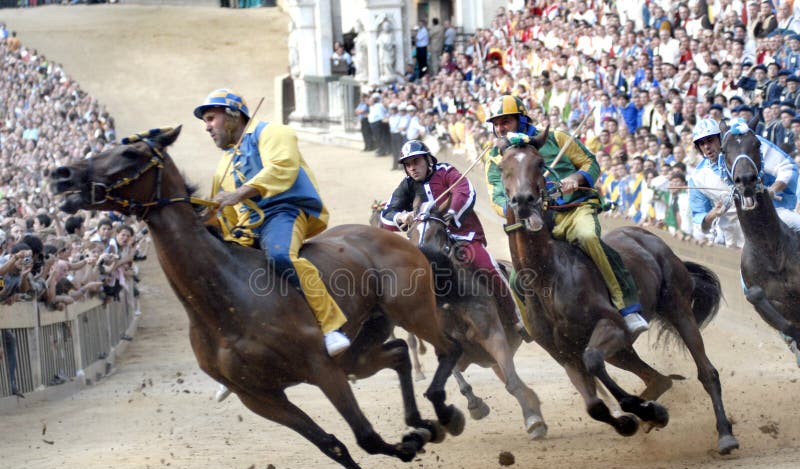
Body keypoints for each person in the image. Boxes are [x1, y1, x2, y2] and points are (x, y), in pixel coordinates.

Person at [194, 89, 350, 399]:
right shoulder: (223, 166)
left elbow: (283, 168)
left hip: (287, 211)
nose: (207, 126)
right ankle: (231, 357)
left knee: (280, 256)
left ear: (234, 114)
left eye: (211, 118)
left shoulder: (272, 132)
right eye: (205, 122)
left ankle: (331, 327)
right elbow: (217, 211)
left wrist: (240, 193)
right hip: (249, 228)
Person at [484, 95, 649, 336]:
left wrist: (575, 178)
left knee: (588, 237)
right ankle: (533, 326)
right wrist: (516, 207)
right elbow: (497, 196)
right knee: (517, 280)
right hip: (538, 221)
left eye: (506, 121)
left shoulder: (556, 138)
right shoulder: (494, 158)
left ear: (521, 120)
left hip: (574, 210)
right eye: (496, 124)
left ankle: (627, 307)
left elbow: (591, 164)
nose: (500, 128)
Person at [379, 140, 529, 340]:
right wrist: (400, 217)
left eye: (416, 161)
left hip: (462, 237)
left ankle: (515, 318)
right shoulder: (407, 185)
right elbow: (386, 214)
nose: (412, 167)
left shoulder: (446, 171)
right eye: (408, 164)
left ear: (427, 160)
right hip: (427, 243)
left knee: (488, 266)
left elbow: (465, 192)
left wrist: (451, 212)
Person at [689, 117, 800, 248]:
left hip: (771, 215)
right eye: (701, 144)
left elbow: (788, 167)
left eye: (710, 140)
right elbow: (700, 223)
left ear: (720, 137)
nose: (707, 146)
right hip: (735, 235)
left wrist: (773, 189)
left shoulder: (748, 145)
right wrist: (713, 214)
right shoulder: (697, 178)